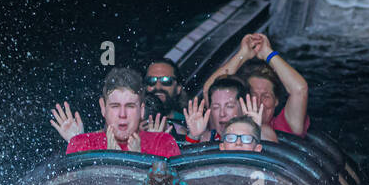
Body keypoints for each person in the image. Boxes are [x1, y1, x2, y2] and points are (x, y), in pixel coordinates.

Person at [51, 67, 179, 158]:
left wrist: (138, 158)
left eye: (130, 106)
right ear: (103, 108)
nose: (122, 114)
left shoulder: (163, 142)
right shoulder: (81, 144)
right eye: (115, 106)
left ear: (142, 110)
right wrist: (110, 160)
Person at [201, 32, 309, 136]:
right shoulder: (226, 123)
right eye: (253, 95)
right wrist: (243, 54)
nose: (258, 102)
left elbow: (299, 89)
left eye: (266, 96)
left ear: (276, 101)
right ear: (241, 99)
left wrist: (267, 53)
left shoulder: (285, 125)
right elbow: (210, 88)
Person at [181, 76, 278, 145]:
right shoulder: (205, 139)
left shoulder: (262, 131)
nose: (222, 114)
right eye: (216, 107)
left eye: (230, 106)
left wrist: (253, 131)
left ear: (243, 108)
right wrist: (193, 137)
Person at [144, 58, 188, 139]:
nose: (158, 87)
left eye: (166, 80)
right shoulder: (133, 120)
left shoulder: (187, 122)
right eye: (151, 80)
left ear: (178, 88)